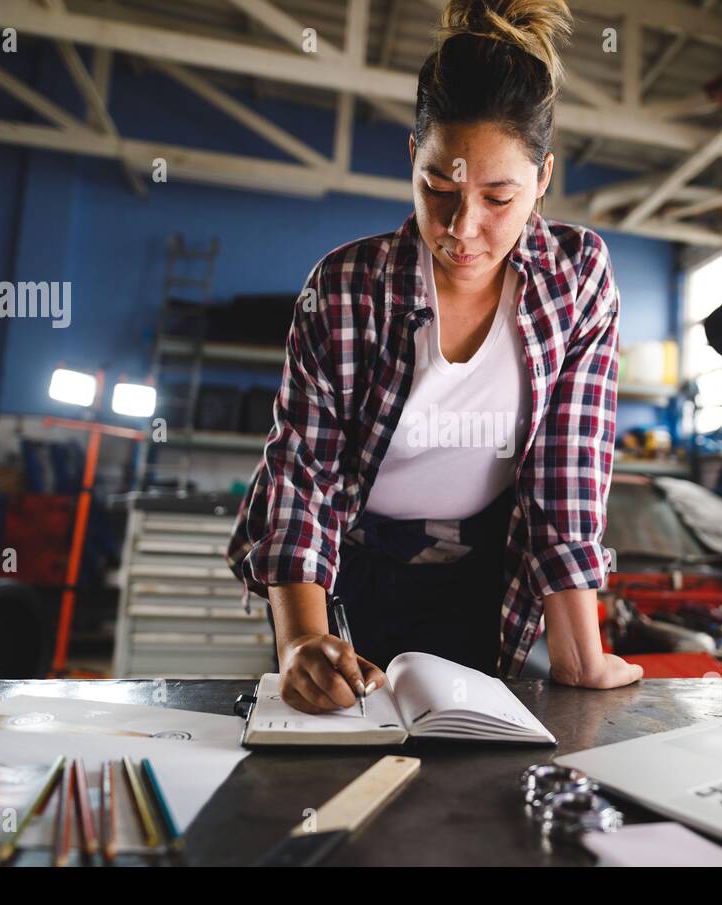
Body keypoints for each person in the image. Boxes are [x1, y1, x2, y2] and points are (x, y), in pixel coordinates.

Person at [228, 0, 643, 714]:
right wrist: (300, 639)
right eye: (438, 190)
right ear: (411, 156)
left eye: (499, 197)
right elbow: (305, 473)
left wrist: (581, 655)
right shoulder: (346, 287)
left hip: (491, 563)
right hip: (352, 561)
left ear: (543, 178)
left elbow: (568, 471)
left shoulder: (577, 277)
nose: (463, 229)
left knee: (478, 764)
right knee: (346, 736)